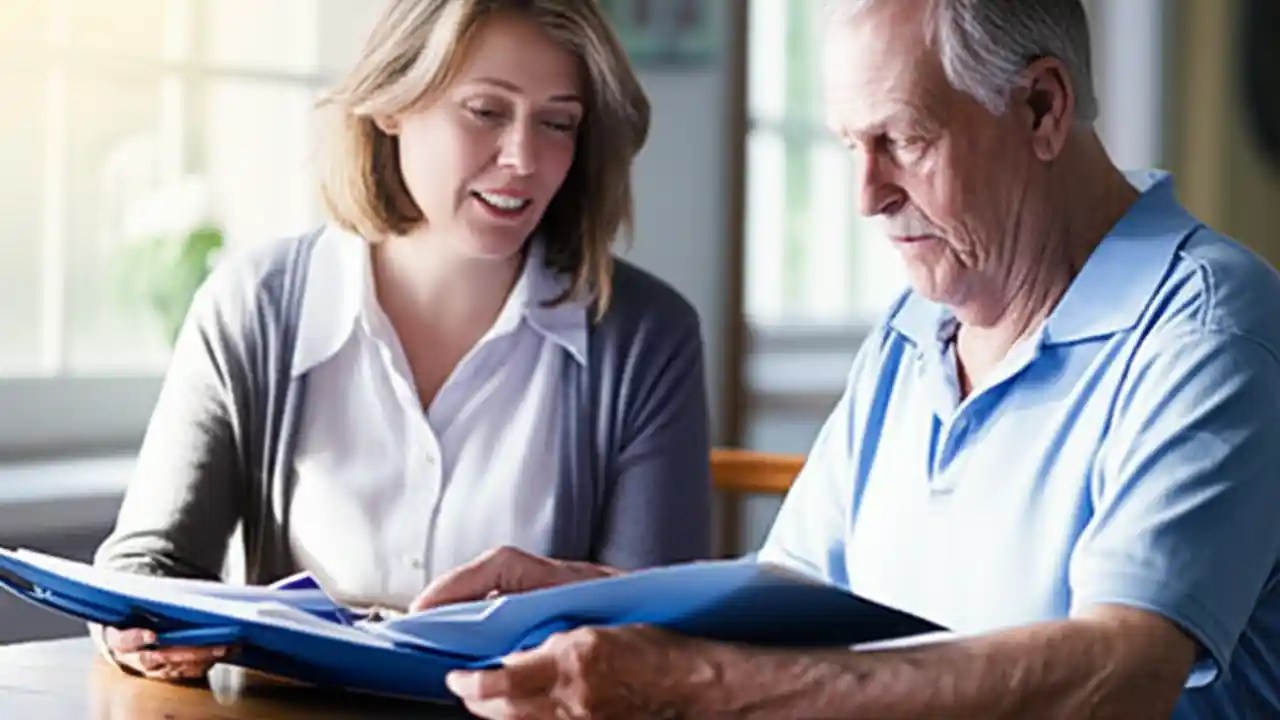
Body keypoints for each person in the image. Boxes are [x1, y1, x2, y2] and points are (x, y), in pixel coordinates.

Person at [409, 0, 1280, 718]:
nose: (866, 196)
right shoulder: (918, 324)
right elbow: (795, 605)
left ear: (1043, 108)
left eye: (902, 139)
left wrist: (693, 688)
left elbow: (1120, 671)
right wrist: (580, 608)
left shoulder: (1210, 332)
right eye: (847, 146)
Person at [92, 0, 712, 683]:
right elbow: (147, 567)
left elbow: (661, 639)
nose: (524, 159)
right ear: (393, 103)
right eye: (485, 110)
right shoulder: (255, 305)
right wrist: (138, 629)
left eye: (558, 123)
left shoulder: (648, 337)